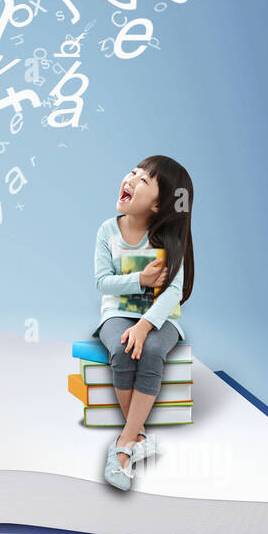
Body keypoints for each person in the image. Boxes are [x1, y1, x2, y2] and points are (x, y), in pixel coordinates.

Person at [93, 155, 195, 491]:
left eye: (144, 181)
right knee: (123, 350)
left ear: (157, 206)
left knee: (150, 350)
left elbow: (173, 293)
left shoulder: (168, 238)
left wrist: (145, 325)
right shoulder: (108, 231)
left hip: (161, 318)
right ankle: (136, 439)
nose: (132, 179)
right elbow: (102, 283)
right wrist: (140, 279)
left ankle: (122, 445)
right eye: (133, 172)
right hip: (116, 313)